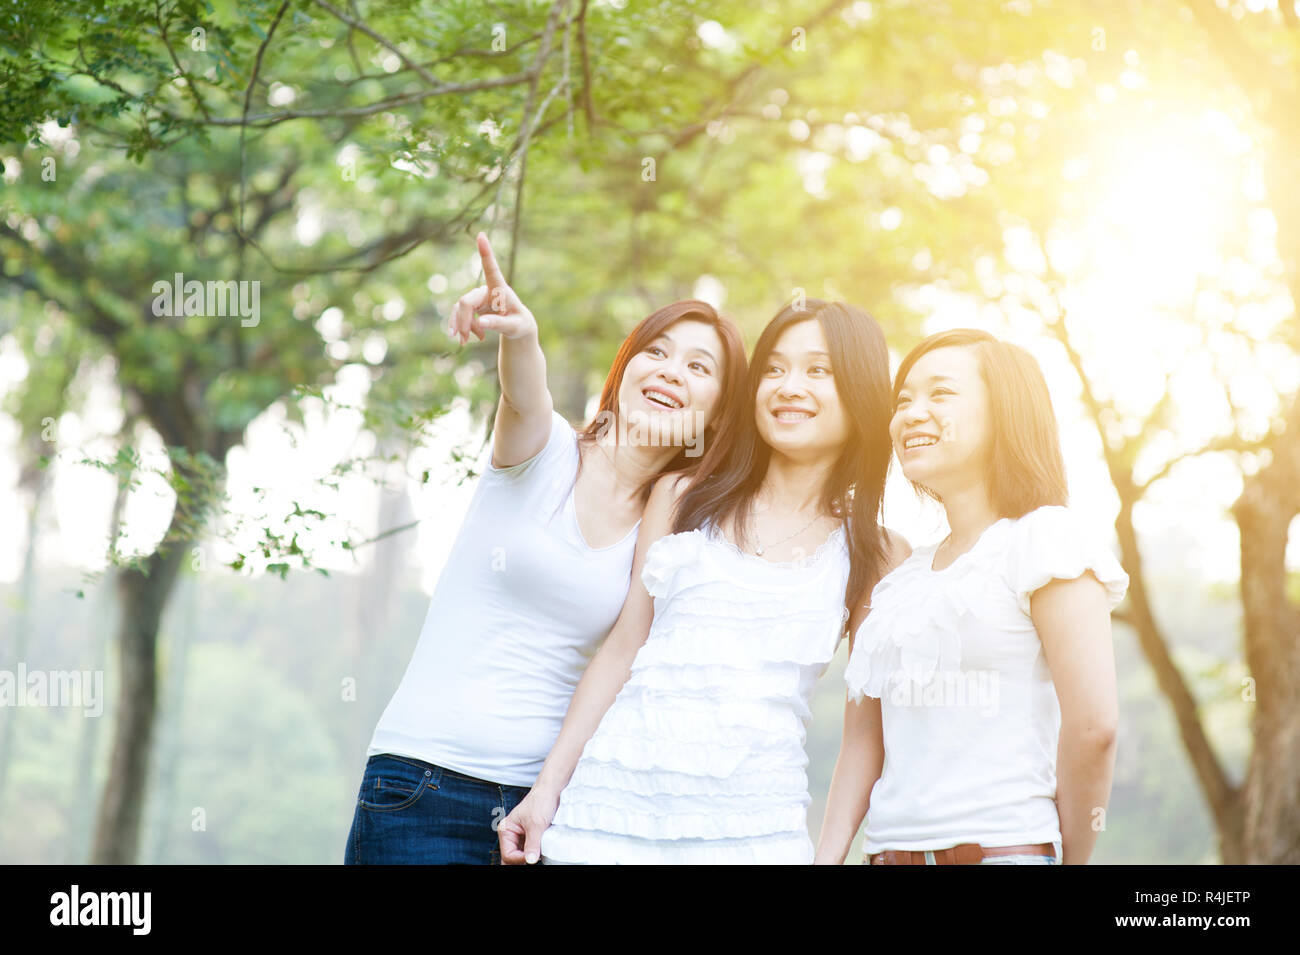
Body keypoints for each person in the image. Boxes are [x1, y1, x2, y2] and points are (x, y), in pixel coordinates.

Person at [344, 232, 749, 864]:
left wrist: (549, 794)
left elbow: (626, 654)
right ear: (626, 368)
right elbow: (523, 394)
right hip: (424, 787)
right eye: (657, 351)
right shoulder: (543, 451)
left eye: (699, 367)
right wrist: (521, 334)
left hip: (542, 812)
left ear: (717, 416)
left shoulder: (667, 524)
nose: (672, 370)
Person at [498, 299, 909, 864]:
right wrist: (545, 792)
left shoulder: (877, 552)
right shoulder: (682, 497)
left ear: (861, 392)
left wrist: (829, 858)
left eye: (818, 370)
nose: (789, 387)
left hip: (755, 839)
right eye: (773, 368)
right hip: (601, 824)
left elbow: (864, 734)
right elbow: (623, 649)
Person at [832, 328, 1129, 865]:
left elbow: (1094, 728)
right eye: (903, 400)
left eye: (941, 393)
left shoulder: (1044, 538)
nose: (912, 414)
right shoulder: (902, 577)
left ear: (1005, 413)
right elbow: (862, 742)